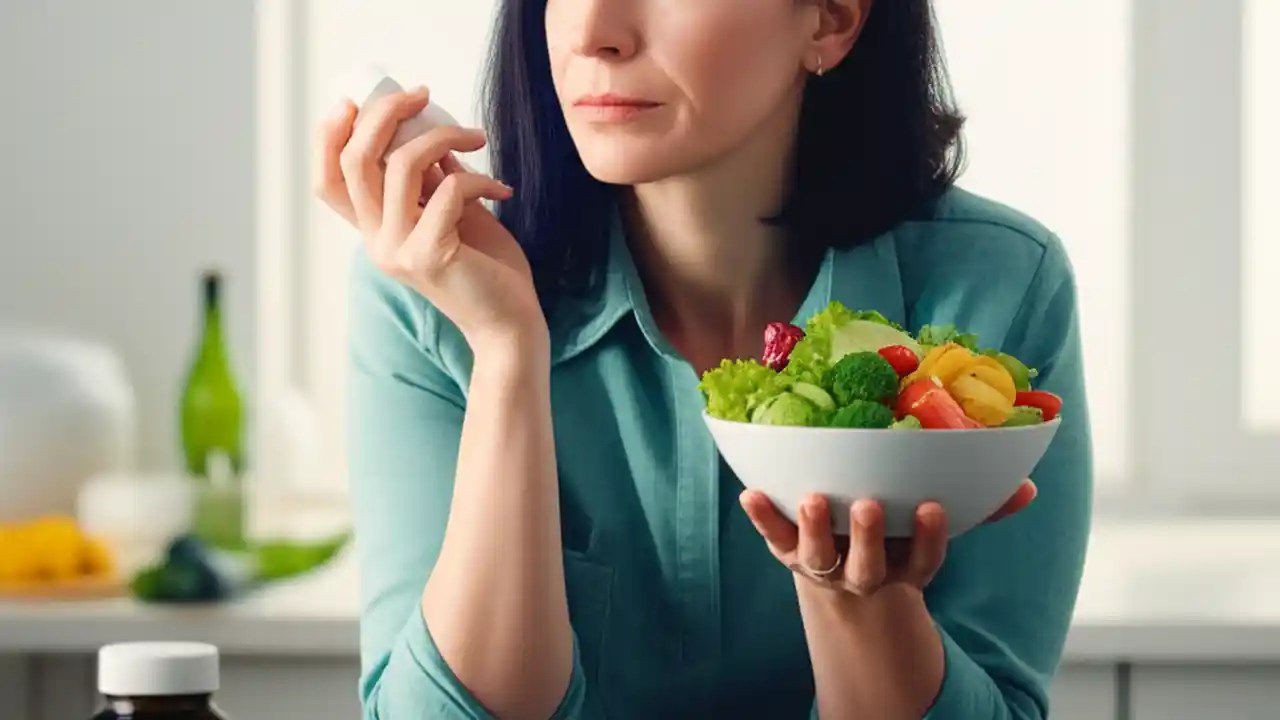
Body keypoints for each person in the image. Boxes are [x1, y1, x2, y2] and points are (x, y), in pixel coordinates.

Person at [315, 0, 1091, 717]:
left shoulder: (999, 289)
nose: (593, 32)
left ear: (830, 17)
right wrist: (506, 350)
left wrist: (861, 600)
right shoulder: (439, 285)